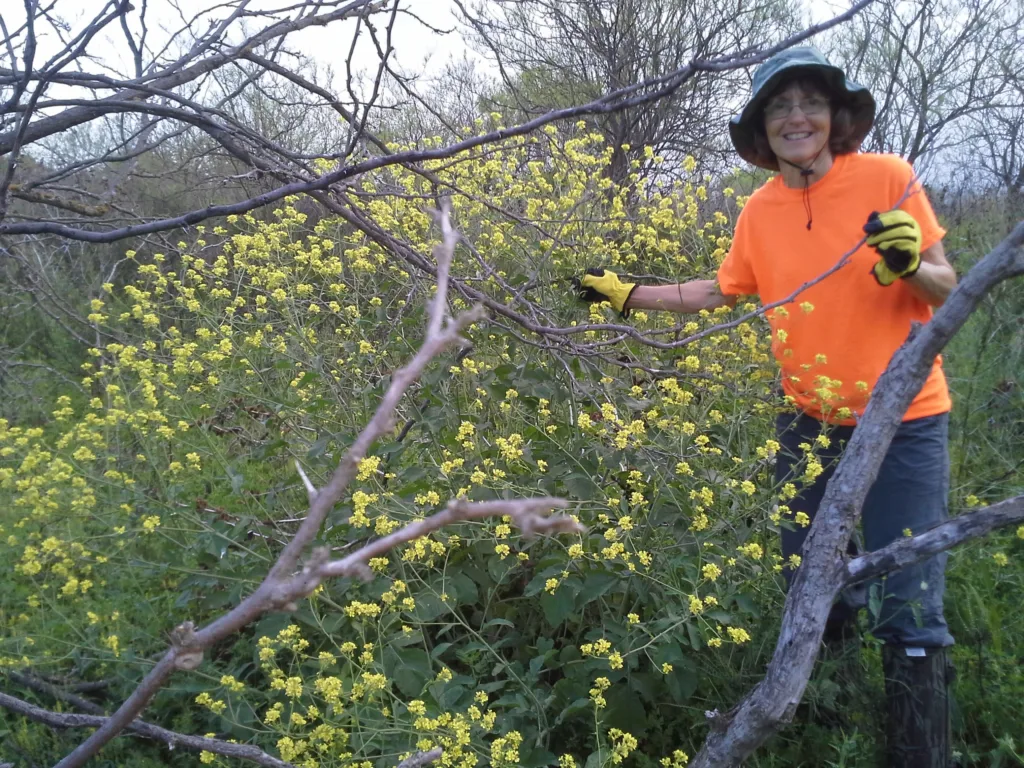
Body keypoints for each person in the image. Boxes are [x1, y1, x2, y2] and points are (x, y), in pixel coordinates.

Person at [578, 47, 958, 767]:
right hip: (808, 422)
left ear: (835, 115)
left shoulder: (887, 177)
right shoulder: (760, 208)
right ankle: (832, 729)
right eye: (779, 107)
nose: (796, 118)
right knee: (811, 581)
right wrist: (627, 295)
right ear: (761, 128)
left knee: (910, 596)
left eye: (810, 102)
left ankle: (919, 754)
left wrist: (913, 264)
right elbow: (719, 290)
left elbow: (948, 288)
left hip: (904, 421)